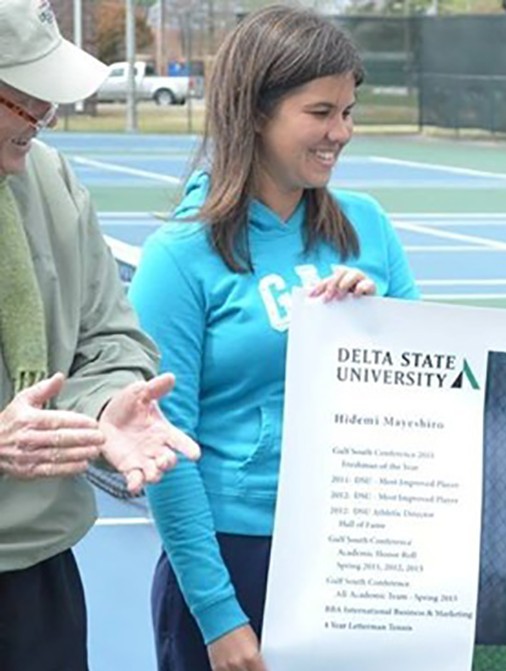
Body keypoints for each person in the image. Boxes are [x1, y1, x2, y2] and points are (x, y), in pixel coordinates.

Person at [127, 6, 420, 671]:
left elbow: (431, 394)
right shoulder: (179, 257)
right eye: (320, 112)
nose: (340, 132)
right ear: (255, 112)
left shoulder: (367, 226)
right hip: (237, 555)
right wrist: (219, 614)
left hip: (353, 550)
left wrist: (376, 326)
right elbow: (166, 449)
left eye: (348, 111)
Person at [0, 1, 202, 669]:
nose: (45, 115)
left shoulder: (52, 178)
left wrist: (107, 403)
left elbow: (109, 337)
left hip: (38, 568)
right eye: (24, 97)